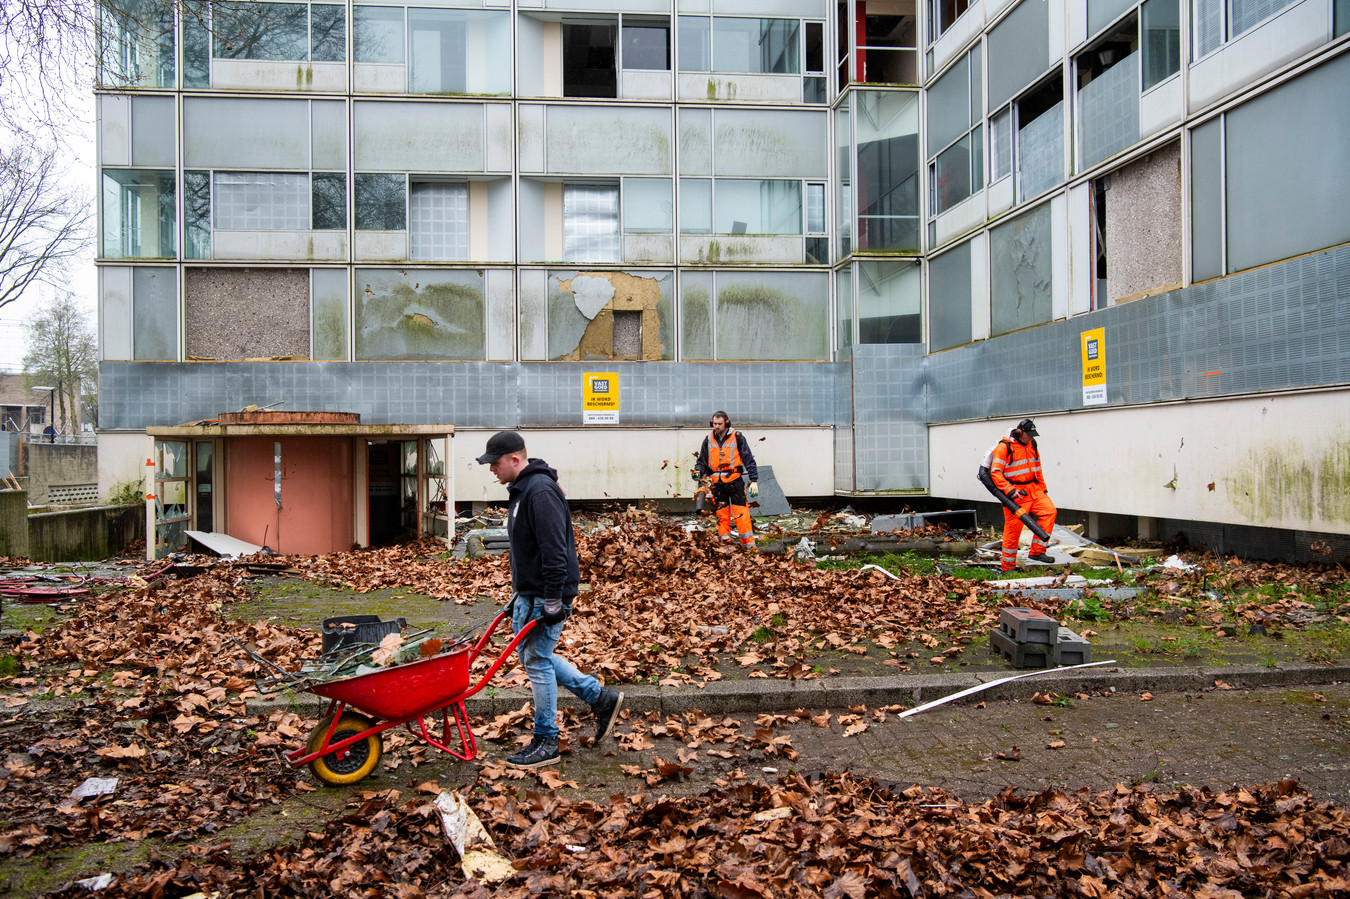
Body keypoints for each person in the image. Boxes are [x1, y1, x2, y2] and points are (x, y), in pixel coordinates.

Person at [477, 430, 623, 768]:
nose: (491, 470)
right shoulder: (523, 489)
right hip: (531, 593)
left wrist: (554, 599)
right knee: (534, 657)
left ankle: (547, 740)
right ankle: (600, 698)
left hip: (546, 594)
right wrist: (521, 593)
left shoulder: (539, 490)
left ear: (515, 459)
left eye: (495, 463)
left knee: (537, 660)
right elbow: (528, 549)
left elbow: (555, 550)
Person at [988, 418, 1057, 572]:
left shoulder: (1032, 444)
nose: (1032, 438)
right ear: (1020, 432)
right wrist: (1009, 490)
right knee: (1013, 530)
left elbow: (1037, 468)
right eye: (1029, 435)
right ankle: (1008, 567)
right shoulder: (1004, 447)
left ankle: (1037, 552)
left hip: (1034, 489)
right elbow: (995, 472)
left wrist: (1043, 488)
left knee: (1049, 512)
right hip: (1015, 494)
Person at [693, 411, 759, 548]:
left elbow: (749, 459)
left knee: (742, 515)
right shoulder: (708, 439)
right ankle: (726, 547)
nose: (716, 427)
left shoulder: (737, 437)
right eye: (714, 424)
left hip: (735, 482)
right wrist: (698, 472)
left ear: (726, 423)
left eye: (719, 424)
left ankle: (749, 547)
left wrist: (754, 480)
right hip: (717, 484)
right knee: (722, 516)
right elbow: (702, 462)